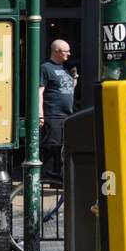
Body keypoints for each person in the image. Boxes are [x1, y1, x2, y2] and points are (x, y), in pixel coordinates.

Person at [40, 39, 77, 185]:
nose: (69, 53)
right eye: (66, 51)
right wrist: (40, 114)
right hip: (53, 114)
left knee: (62, 147)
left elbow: (68, 89)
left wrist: (74, 77)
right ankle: (47, 176)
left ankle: (58, 178)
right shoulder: (46, 68)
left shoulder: (64, 68)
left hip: (66, 115)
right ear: (56, 51)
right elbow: (39, 92)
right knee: (52, 146)